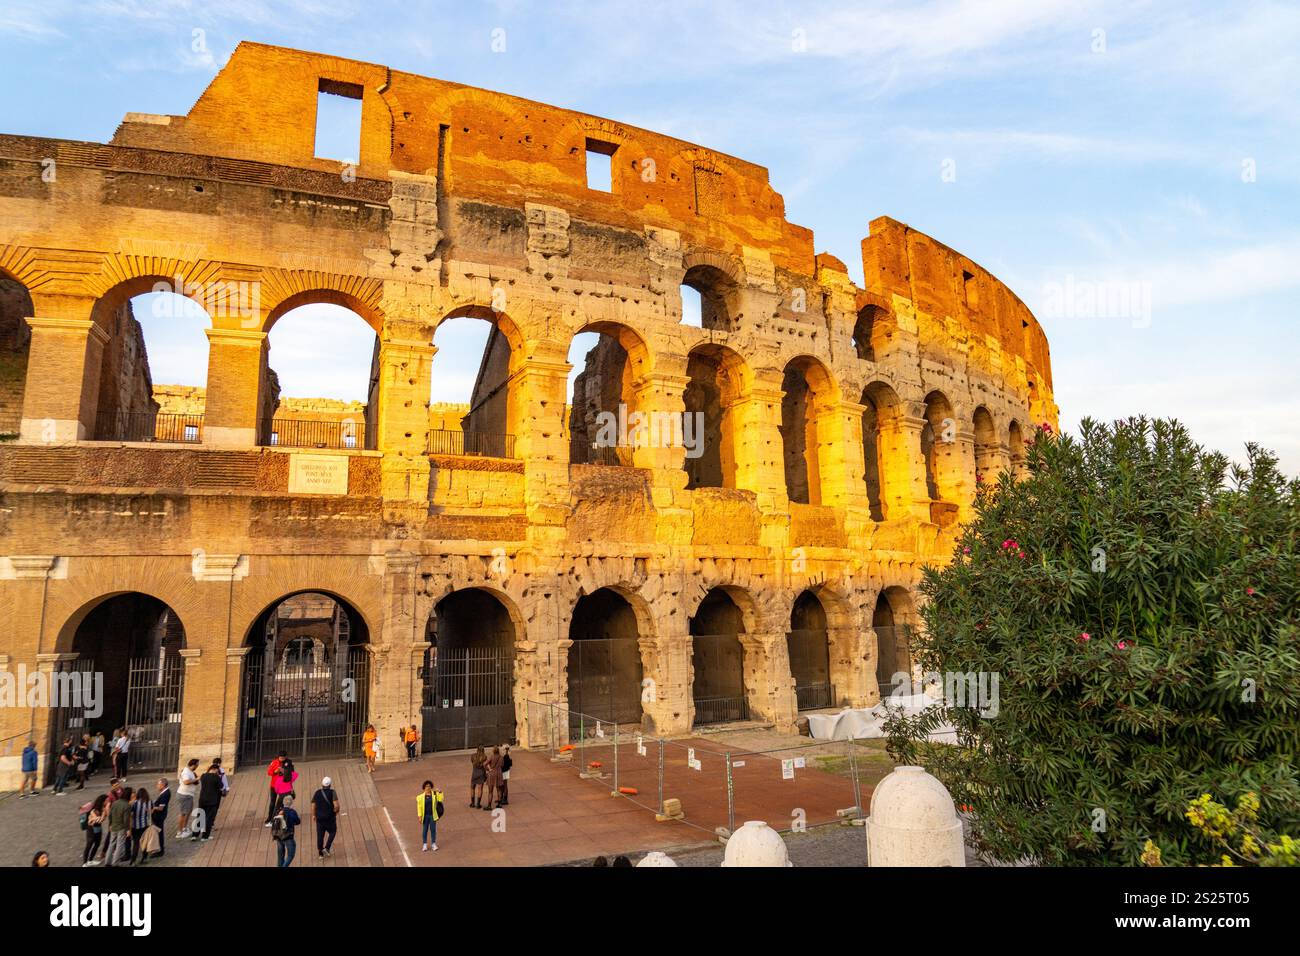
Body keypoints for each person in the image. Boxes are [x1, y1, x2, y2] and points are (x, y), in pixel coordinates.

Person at [310, 776, 339, 859]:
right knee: (333, 832)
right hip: (329, 818)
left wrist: (313, 815)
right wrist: (336, 813)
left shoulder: (317, 792)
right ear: (330, 785)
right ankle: (327, 848)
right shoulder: (332, 792)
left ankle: (320, 854)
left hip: (319, 818)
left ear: (322, 784)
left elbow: (313, 805)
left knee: (320, 836)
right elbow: (336, 806)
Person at [105, 785, 133, 866]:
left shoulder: (115, 803)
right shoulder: (127, 805)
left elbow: (110, 815)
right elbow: (126, 820)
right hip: (121, 828)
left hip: (113, 826)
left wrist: (110, 824)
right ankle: (115, 863)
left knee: (111, 844)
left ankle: (107, 862)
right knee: (119, 845)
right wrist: (128, 830)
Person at [196, 762, 223, 841]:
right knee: (209, 818)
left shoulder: (203, 776)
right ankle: (205, 837)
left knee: (200, 816)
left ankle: (194, 835)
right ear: (215, 769)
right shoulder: (216, 777)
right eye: (217, 771)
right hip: (212, 800)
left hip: (202, 799)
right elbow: (221, 786)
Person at [272, 795, 301, 867]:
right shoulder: (291, 812)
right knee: (291, 855)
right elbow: (297, 821)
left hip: (278, 836)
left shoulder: (278, 811)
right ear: (291, 803)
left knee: (280, 856)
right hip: (288, 836)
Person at [416, 779, 443, 852]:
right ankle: (424, 844)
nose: (428, 787)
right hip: (425, 816)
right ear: (424, 787)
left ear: (431, 787)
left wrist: (440, 792)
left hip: (432, 816)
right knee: (425, 830)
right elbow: (419, 807)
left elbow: (440, 800)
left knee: (433, 830)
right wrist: (419, 816)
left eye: (429, 786)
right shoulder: (420, 797)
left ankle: (433, 844)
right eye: (426, 786)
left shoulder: (434, 794)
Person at [176, 759, 199, 838]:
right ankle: (179, 832)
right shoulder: (186, 772)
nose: (197, 767)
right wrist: (196, 779)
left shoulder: (190, 771)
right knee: (183, 813)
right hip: (184, 795)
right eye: (197, 765)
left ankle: (184, 828)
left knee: (188, 812)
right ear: (193, 765)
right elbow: (186, 782)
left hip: (189, 795)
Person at [82, 794, 107, 866]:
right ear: (102, 801)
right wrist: (95, 819)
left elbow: (101, 820)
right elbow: (99, 819)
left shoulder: (102, 809)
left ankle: (90, 860)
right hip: (91, 829)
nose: (107, 801)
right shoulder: (94, 810)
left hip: (98, 828)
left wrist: (96, 819)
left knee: (97, 844)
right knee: (89, 845)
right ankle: (84, 862)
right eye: (106, 800)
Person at [128, 785, 151, 864]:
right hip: (145, 825)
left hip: (135, 826)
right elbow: (151, 811)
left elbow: (131, 814)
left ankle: (133, 861)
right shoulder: (149, 802)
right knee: (145, 842)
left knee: (136, 844)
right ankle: (144, 858)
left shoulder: (134, 803)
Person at [263, 751, 285, 826]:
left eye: (283, 758)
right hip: (274, 785)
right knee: (272, 802)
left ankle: (279, 817)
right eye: (280, 757)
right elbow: (269, 772)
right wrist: (275, 771)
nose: (281, 759)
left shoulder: (287, 763)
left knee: (281, 802)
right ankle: (269, 817)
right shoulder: (274, 763)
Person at [151, 778, 171, 858]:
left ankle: (160, 850)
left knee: (159, 833)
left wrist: (152, 808)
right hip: (159, 816)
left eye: (158, 784)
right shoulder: (165, 792)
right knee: (159, 832)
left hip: (159, 816)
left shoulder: (165, 794)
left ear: (162, 785)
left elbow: (161, 808)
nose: (157, 786)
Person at [484, 745, 503, 811]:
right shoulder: (501, 757)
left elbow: (485, 764)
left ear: (493, 751)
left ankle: (489, 806)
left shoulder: (491, 757)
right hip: (499, 774)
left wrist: (489, 769)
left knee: (490, 791)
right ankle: (499, 804)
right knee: (499, 790)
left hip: (492, 774)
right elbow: (502, 765)